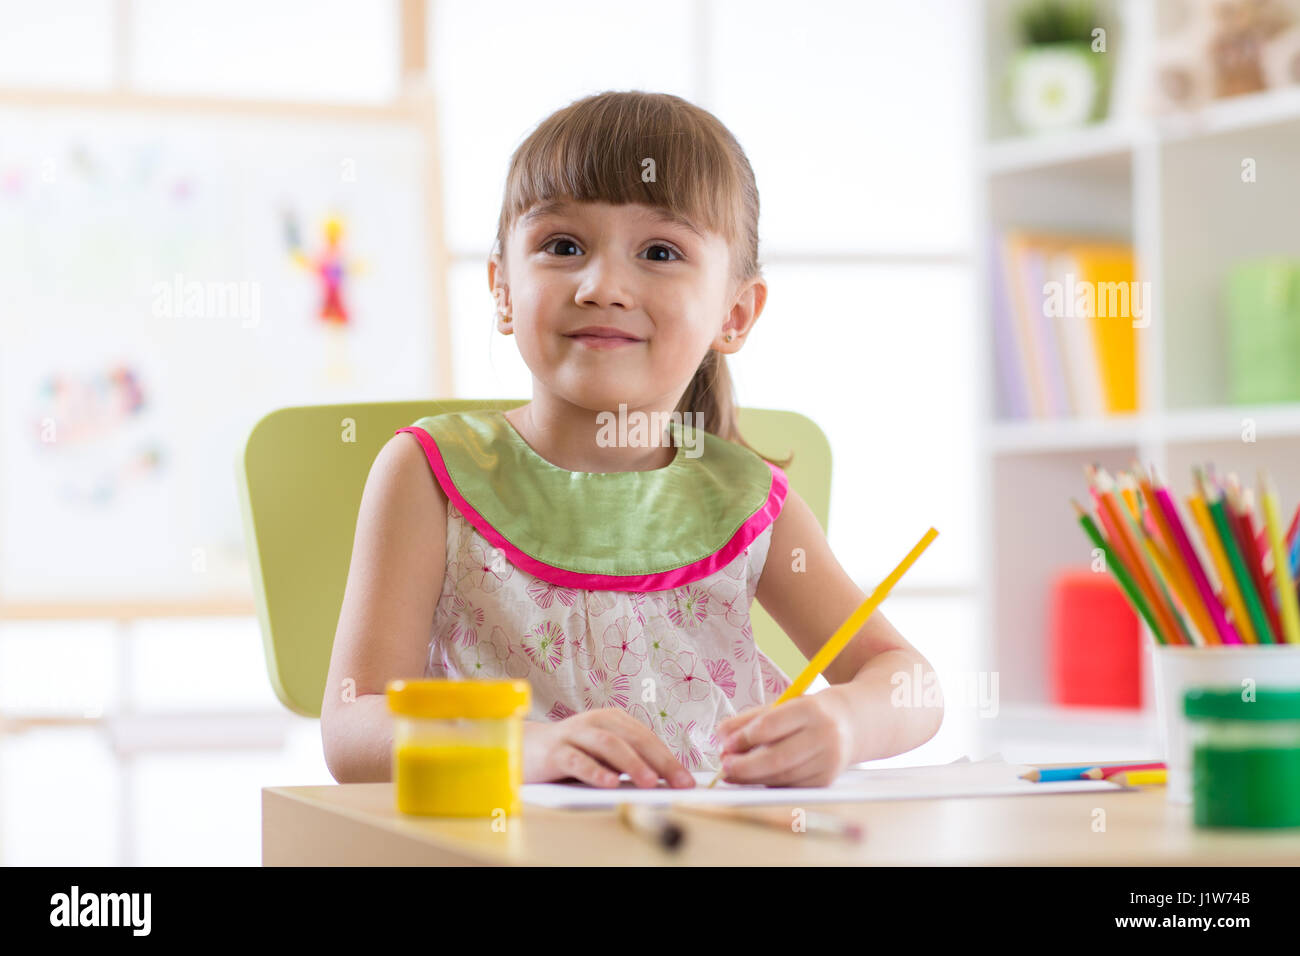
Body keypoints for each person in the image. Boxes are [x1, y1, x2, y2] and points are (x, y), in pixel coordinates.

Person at [322, 90, 943, 790]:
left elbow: (909, 683)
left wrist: (844, 723)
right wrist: (531, 751)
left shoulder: (744, 497)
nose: (602, 285)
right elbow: (353, 729)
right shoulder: (430, 473)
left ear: (735, 313)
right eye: (562, 246)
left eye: (658, 251)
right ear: (501, 290)